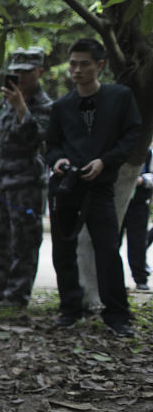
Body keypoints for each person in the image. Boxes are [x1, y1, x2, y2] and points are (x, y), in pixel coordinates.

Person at [45, 38, 141, 336]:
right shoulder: (61, 106)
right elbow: (51, 145)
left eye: (84, 63)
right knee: (63, 249)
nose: (77, 69)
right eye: (73, 63)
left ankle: (117, 315)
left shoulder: (120, 97)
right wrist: (58, 161)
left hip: (100, 186)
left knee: (108, 250)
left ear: (100, 65)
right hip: (67, 186)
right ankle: (69, 308)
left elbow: (132, 134)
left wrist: (106, 161)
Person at [0, 48, 52, 310]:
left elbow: (37, 139)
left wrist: (22, 107)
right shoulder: (7, 100)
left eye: (26, 72)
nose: (20, 77)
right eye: (17, 72)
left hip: (27, 182)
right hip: (3, 179)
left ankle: (18, 295)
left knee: (24, 240)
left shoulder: (44, 105)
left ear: (40, 72)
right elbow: (1, 135)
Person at [120, 150, 151, 291]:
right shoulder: (117, 148)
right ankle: (111, 279)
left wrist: (142, 180)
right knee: (111, 242)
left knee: (137, 242)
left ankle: (140, 278)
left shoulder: (148, 153)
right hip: (117, 201)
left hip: (138, 203)